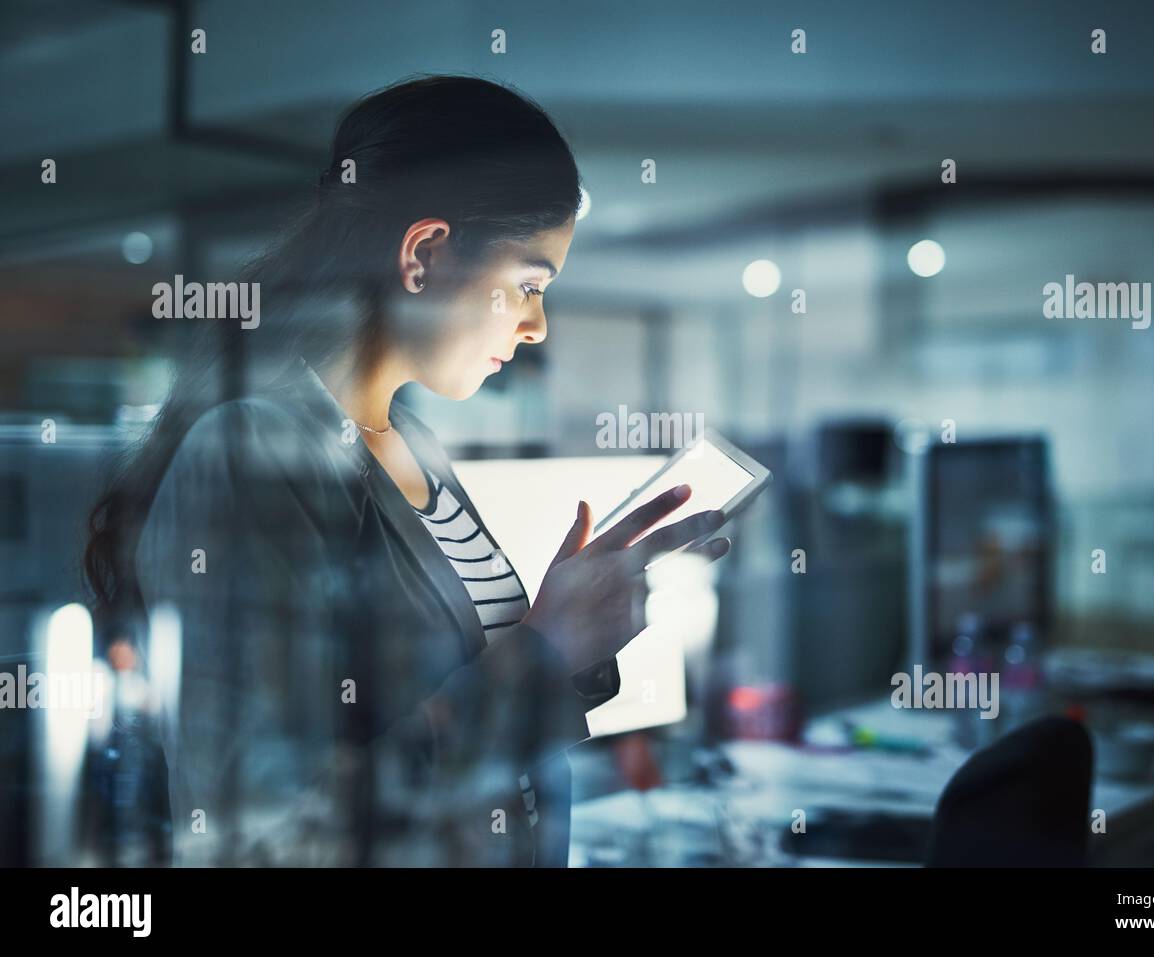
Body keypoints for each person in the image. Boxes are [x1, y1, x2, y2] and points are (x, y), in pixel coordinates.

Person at [84, 74, 730, 866]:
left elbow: (475, 720)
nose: (536, 326)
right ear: (423, 252)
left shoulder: (411, 443)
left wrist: (580, 630)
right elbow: (268, 828)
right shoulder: (251, 450)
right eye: (528, 284)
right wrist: (541, 651)